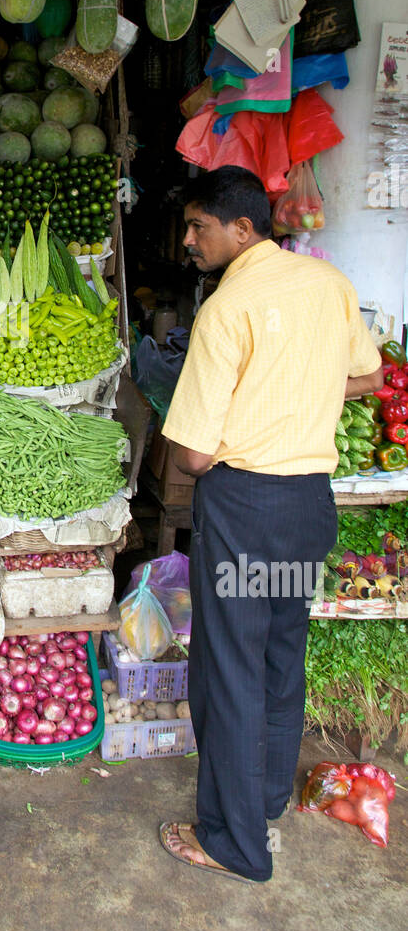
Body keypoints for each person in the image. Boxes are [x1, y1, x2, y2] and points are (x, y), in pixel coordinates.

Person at [158, 166, 383, 882]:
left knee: (229, 670)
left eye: (199, 227)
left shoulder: (227, 309)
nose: (190, 241)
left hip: (245, 509)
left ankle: (234, 843)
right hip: (306, 505)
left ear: (242, 229)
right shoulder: (329, 283)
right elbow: (369, 375)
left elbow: (193, 455)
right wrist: (296, 393)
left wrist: (243, 409)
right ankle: (267, 799)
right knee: (282, 654)